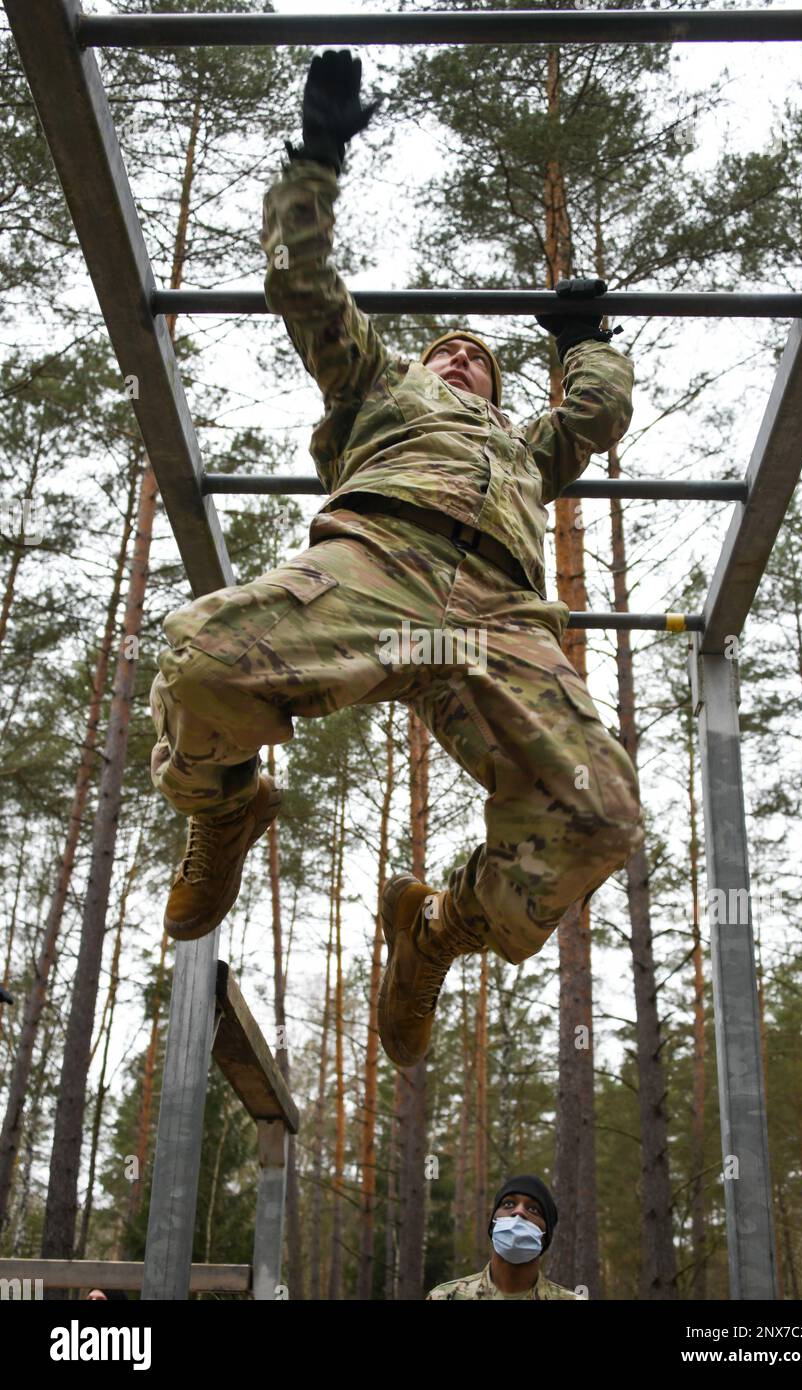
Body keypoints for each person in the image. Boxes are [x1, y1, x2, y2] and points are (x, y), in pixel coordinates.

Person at [149, 50, 644, 1067]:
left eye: (480, 360)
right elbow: (301, 281)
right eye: (447, 350)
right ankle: (226, 807)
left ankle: (436, 930)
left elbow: (593, 414)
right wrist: (315, 157)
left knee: (598, 817)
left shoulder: (519, 446)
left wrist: (583, 339)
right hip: (382, 562)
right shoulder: (378, 387)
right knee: (202, 656)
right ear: (417, 366)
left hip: (498, 618)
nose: (462, 357)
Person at [426, 1176, 576, 1300]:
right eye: (508, 1204)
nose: (518, 1212)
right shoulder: (445, 1297)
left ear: (546, 1234)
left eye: (533, 1209)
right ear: (493, 1224)